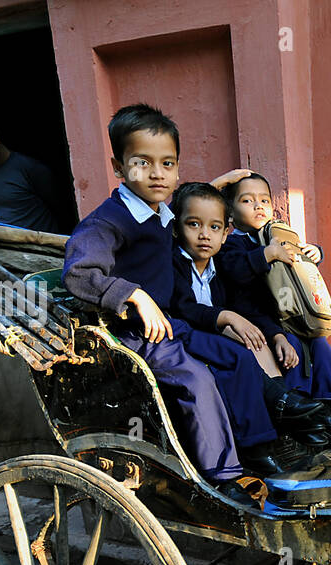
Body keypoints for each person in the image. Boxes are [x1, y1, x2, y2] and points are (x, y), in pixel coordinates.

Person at [61, 103, 288, 485]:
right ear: (118, 168)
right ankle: (223, 473)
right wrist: (133, 294)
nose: (156, 174)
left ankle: (257, 448)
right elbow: (79, 273)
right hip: (135, 334)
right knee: (197, 379)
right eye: (142, 163)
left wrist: (220, 186)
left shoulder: (161, 215)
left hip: (171, 326)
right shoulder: (109, 221)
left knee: (235, 355)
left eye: (168, 164)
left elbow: (192, 207)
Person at [168, 180, 331, 453]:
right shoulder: (193, 260)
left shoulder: (271, 237)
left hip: (245, 324)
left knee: (274, 342)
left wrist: (313, 251)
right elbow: (185, 307)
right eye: (194, 225)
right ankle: (283, 416)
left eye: (213, 228)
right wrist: (228, 318)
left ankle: (310, 413)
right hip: (187, 333)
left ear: (223, 232)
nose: (204, 235)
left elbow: (245, 307)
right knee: (244, 351)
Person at [217, 172, 331, 449]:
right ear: (230, 211)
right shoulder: (231, 245)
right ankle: (296, 413)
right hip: (265, 325)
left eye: (264, 200)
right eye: (247, 200)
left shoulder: (278, 235)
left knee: (322, 348)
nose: (258, 206)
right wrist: (266, 255)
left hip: (296, 320)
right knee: (290, 351)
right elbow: (237, 277)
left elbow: (299, 269)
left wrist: (314, 252)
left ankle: (328, 411)